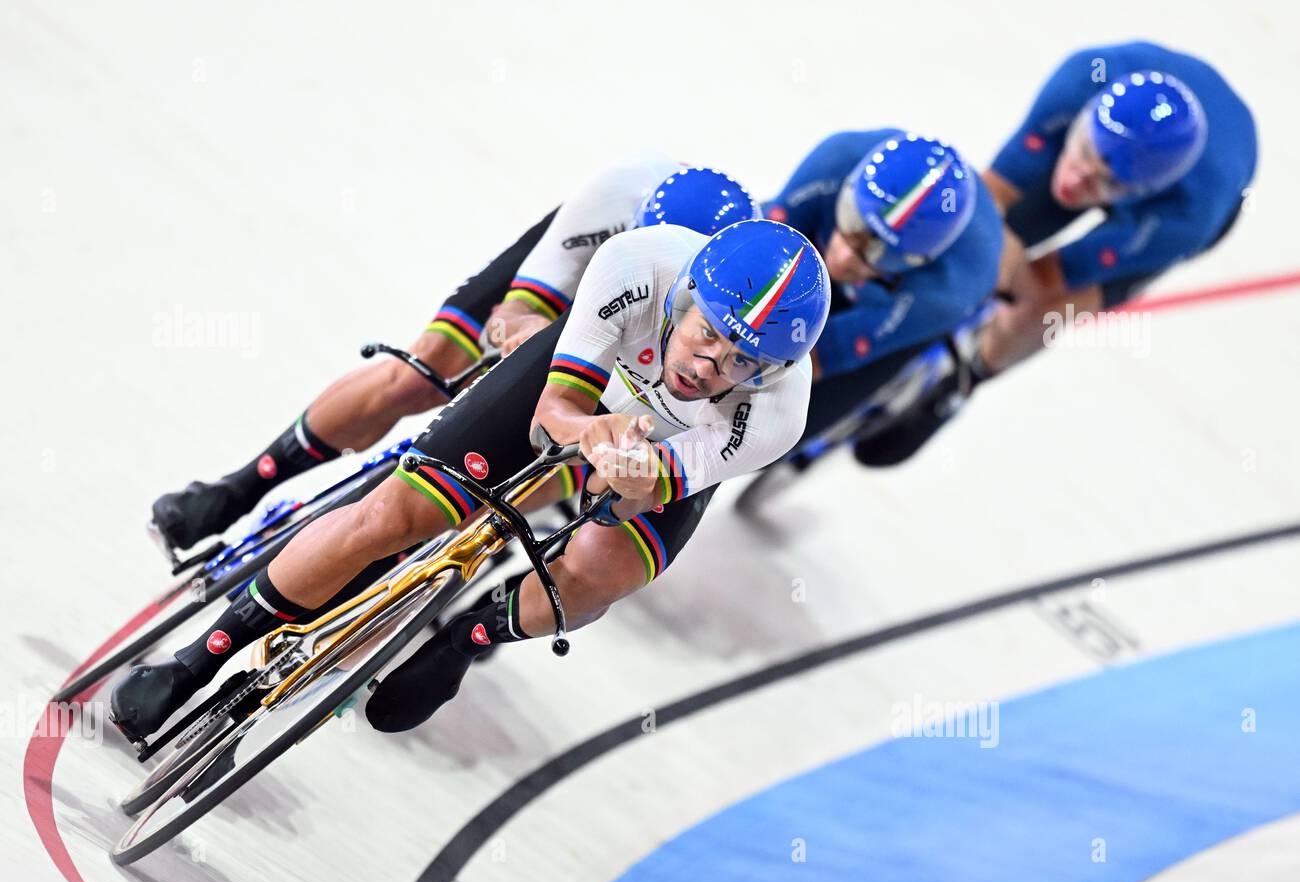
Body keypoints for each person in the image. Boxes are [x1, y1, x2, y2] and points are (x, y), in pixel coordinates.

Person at [111, 218, 832, 740]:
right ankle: (193, 662)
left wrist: (629, 471)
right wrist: (593, 435)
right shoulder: (638, 264)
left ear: (768, 370)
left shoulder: (778, 409)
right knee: (385, 519)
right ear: (685, 298)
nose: (710, 365)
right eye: (708, 330)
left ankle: (467, 636)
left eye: (740, 360)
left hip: (659, 452)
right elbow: (553, 413)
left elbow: (646, 490)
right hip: (582, 395)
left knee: (600, 569)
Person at [150, 156, 762, 551]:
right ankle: (239, 488)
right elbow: (514, 315)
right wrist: (522, 348)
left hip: (657, 355)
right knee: (419, 372)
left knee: (555, 470)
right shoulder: (612, 199)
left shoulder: (732, 305)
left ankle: (413, 587)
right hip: (574, 297)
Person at [868, 41, 1256, 458]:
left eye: (1105, 184)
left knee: (1052, 306)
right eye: (1083, 153)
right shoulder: (1081, 78)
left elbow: (1048, 280)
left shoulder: (1183, 217)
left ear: (1141, 192)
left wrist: (1019, 284)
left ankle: (968, 381)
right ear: (1087, 116)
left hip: (1194, 205)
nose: (1074, 183)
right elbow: (989, 199)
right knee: (978, 228)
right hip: (1129, 137)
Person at [766, 130, 1002, 465]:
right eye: (851, 223)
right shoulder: (835, 159)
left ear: (914, 261)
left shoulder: (949, 287)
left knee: (778, 433)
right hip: (836, 227)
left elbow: (818, 359)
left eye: (876, 252)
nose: (845, 256)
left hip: (903, 301)